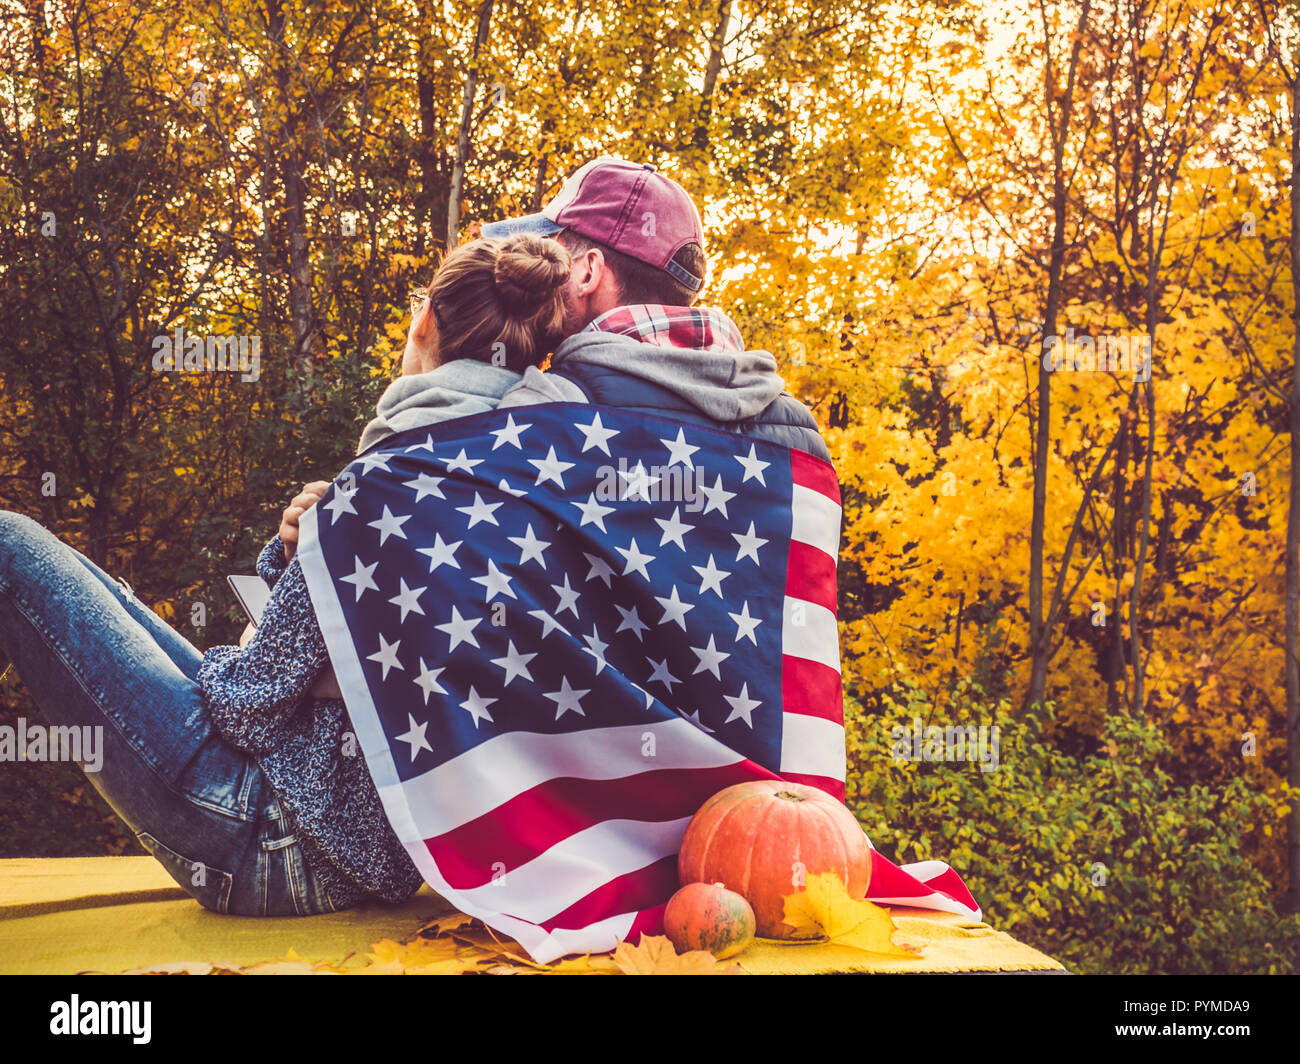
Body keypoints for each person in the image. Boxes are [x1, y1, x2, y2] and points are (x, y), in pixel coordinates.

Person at [0, 232, 569, 915]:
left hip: (277, 842)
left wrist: (228, 658)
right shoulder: (514, 482)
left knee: (11, 548)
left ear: (425, 321)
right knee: (103, 604)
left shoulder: (387, 483)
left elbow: (249, 708)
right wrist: (298, 558)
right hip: (375, 852)